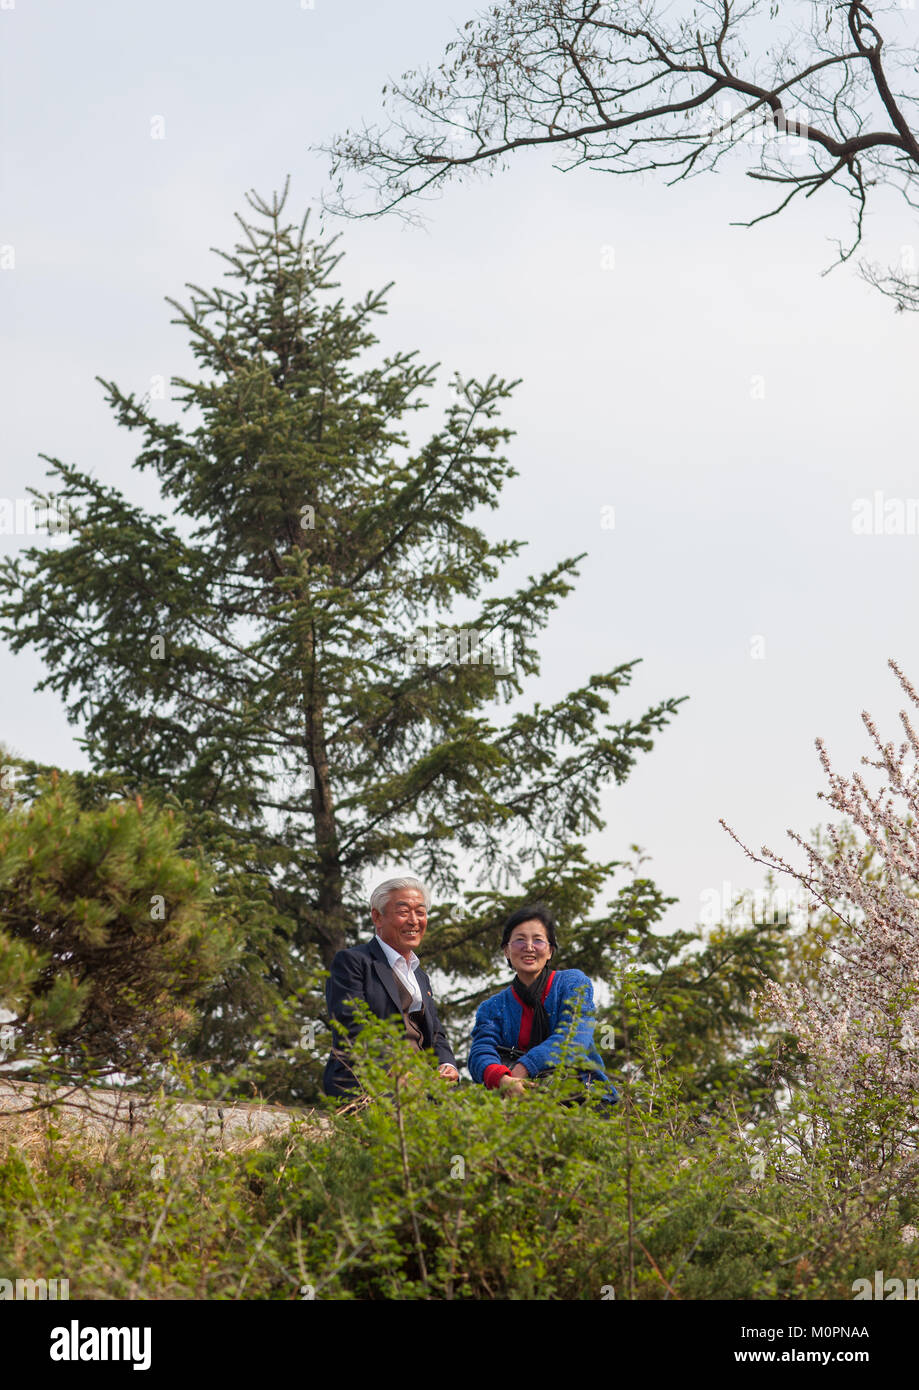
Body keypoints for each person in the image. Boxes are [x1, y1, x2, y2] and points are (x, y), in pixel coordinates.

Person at [322, 876, 459, 1097]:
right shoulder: (353, 962)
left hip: (423, 1087)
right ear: (377, 917)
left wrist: (447, 1065)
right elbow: (352, 1027)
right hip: (368, 1083)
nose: (414, 921)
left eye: (420, 912)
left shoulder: (420, 976)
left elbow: (435, 1035)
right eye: (404, 912)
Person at [467, 903, 616, 1105]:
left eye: (538, 940)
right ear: (506, 951)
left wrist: (524, 1067)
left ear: (550, 951)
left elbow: (575, 1037)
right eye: (520, 940)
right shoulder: (492, 1008)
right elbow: (480, 1052)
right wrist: (503, 1079)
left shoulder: (573, 983)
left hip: (585, 1101)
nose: (529, 947)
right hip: (519, 1104)